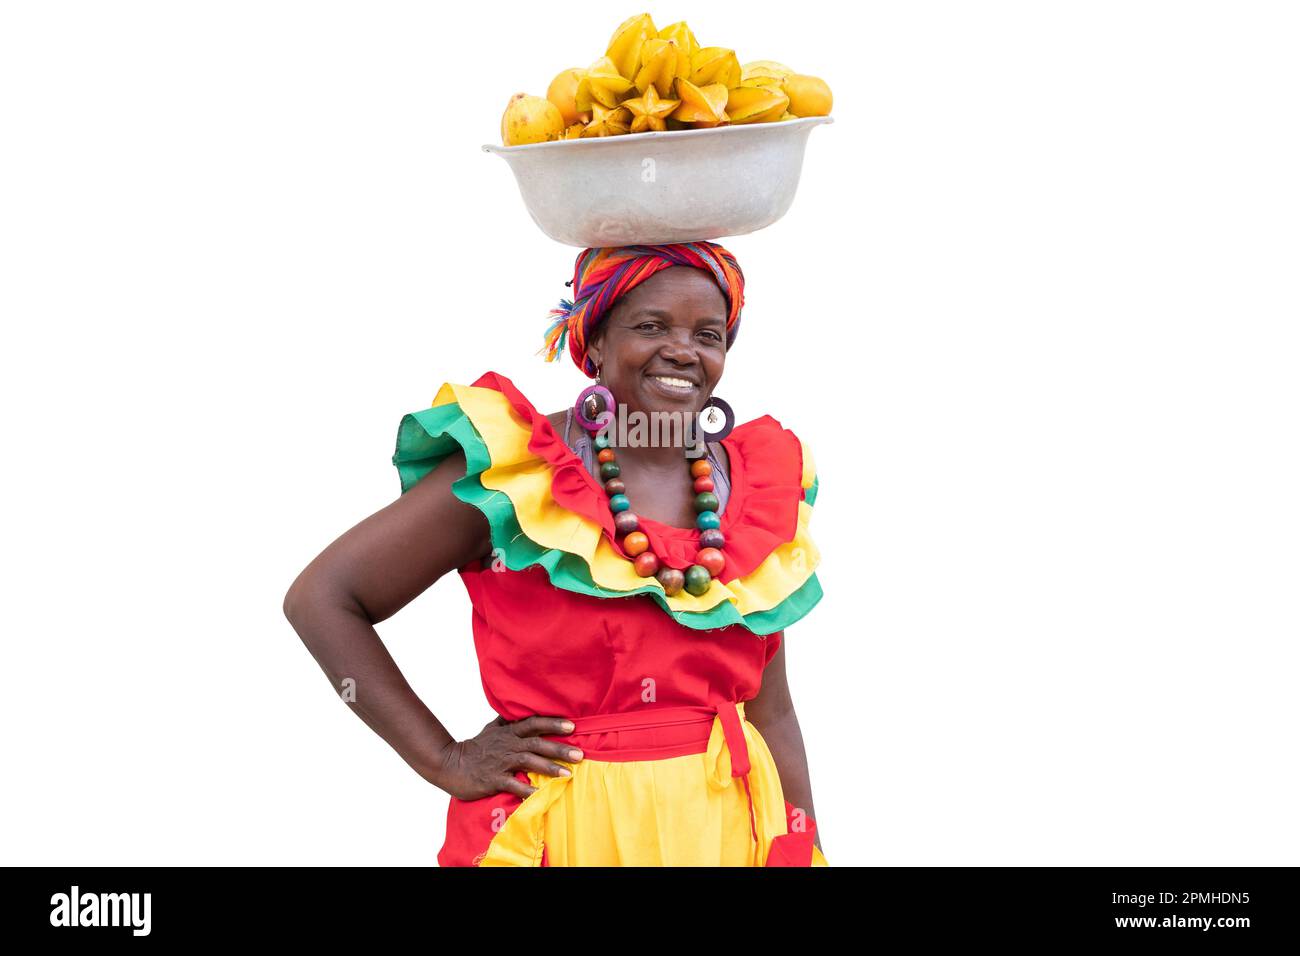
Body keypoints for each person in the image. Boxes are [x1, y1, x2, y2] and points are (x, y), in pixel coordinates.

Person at [284, 241, 828, 866]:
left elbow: (772, 709)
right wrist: (443, 759)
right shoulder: (518, 475)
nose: (683, 350)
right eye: (651, 326)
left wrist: (804, 845)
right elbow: (323, 598)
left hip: (724, 835)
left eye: (708, 334)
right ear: (593, 340)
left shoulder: (754, 490)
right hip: (556, 834)